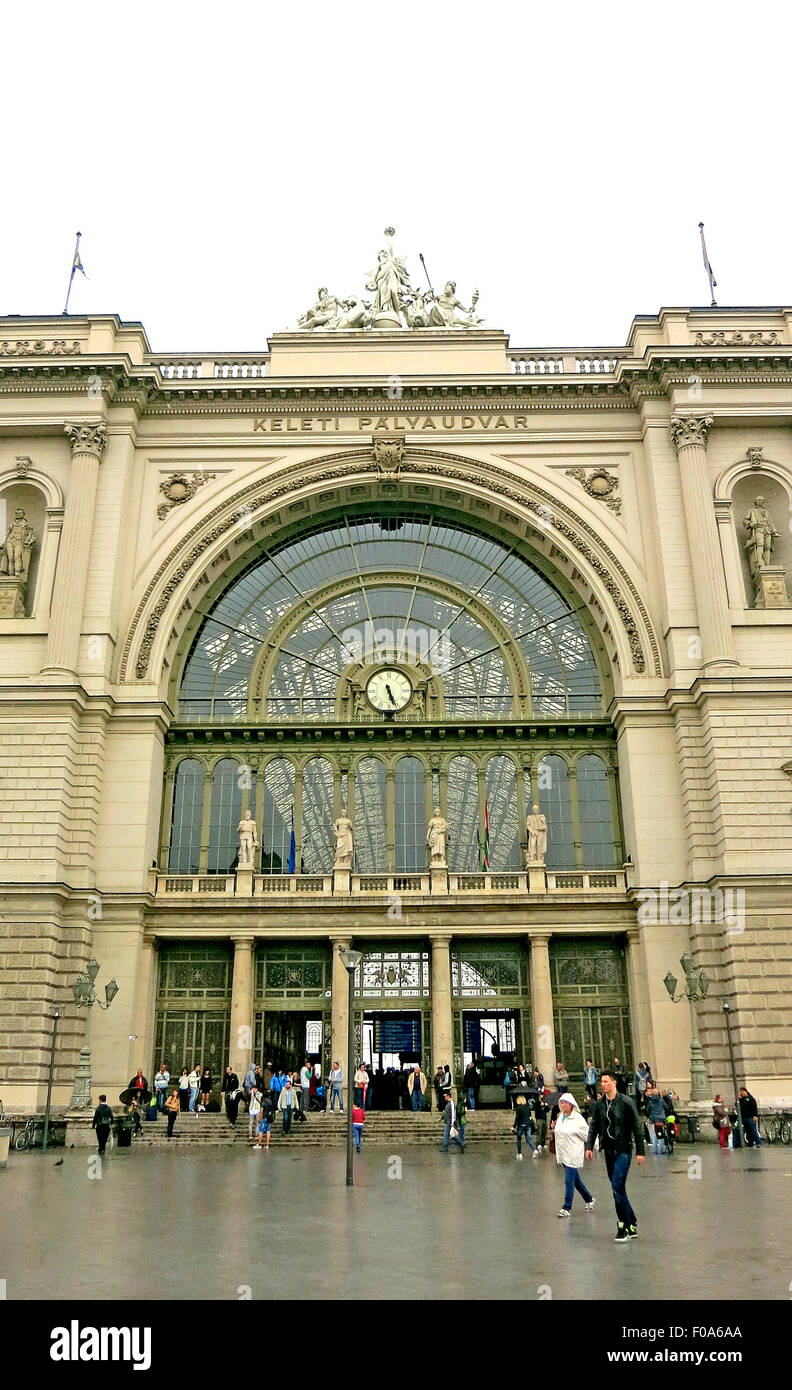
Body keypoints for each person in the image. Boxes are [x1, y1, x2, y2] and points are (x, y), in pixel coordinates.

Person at [585, 1068, 645, 1242]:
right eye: (601, 1082)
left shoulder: (626, 1102)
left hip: (623, 1150)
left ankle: (623, 1226)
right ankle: (632, 1221)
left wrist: (640, 1151)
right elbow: (594, 1126)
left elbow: (637, 1127)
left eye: (605, 1081)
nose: (602, 1084)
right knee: (618, 1189)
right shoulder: (599, 1104)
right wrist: (589, 1146)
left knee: (617, 1185)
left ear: (614, 1082)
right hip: (609, 1151)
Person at [555, 1092, 596, 1216]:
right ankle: (589, 1199)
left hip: (573, 1153)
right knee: (575, 1180)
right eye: (562, 1103)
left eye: (566, 1103)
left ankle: (566, 1207)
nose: (564, 1105)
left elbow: (588, 1134)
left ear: (572, 1104)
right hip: (563, 1152)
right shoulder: (560, 1116)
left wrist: (593, 1146)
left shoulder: (578, 1119)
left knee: (569, 1180)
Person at [645, 1084, 668, 1153]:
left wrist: (648, 1115)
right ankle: (662, 1149)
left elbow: (647, 1110)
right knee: (661, 1133)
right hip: (661, 1119)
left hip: (653, 1119)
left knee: (654, 1134)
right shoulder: (661, 1101)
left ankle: (654, 1149)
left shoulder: (650, 1101)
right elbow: (667, 1107)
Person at [514, 1092, 536, 1160]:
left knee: (519, 1139)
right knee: (528, 1139)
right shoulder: (527, 1107)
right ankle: (534, 1150)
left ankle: (520, 1153)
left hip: (521, 1124)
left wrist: (514, 1126)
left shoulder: (518, 1108)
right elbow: (529, 1115)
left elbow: (517, 1117)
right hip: (528, 1124)